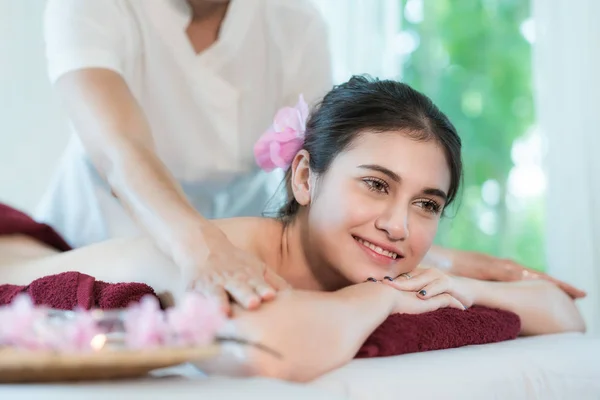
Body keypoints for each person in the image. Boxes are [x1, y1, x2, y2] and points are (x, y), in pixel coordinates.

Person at [1, 77, 585, 382]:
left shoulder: (362, 255)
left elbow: (565, 315)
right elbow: (273, 350)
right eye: (377, 185)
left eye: (427, 203)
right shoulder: (227, 255)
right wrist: (381, 294)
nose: (398, 225)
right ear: (305, 178)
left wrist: (472, 288)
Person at [35, 0, 585, 315]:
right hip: (100, 225)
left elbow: (336, 163)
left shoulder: (293, 22)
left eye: (428, 203)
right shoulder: (93, 7)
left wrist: (439, 261)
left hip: (242, 243)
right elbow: (118, 148)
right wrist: (201, 248)